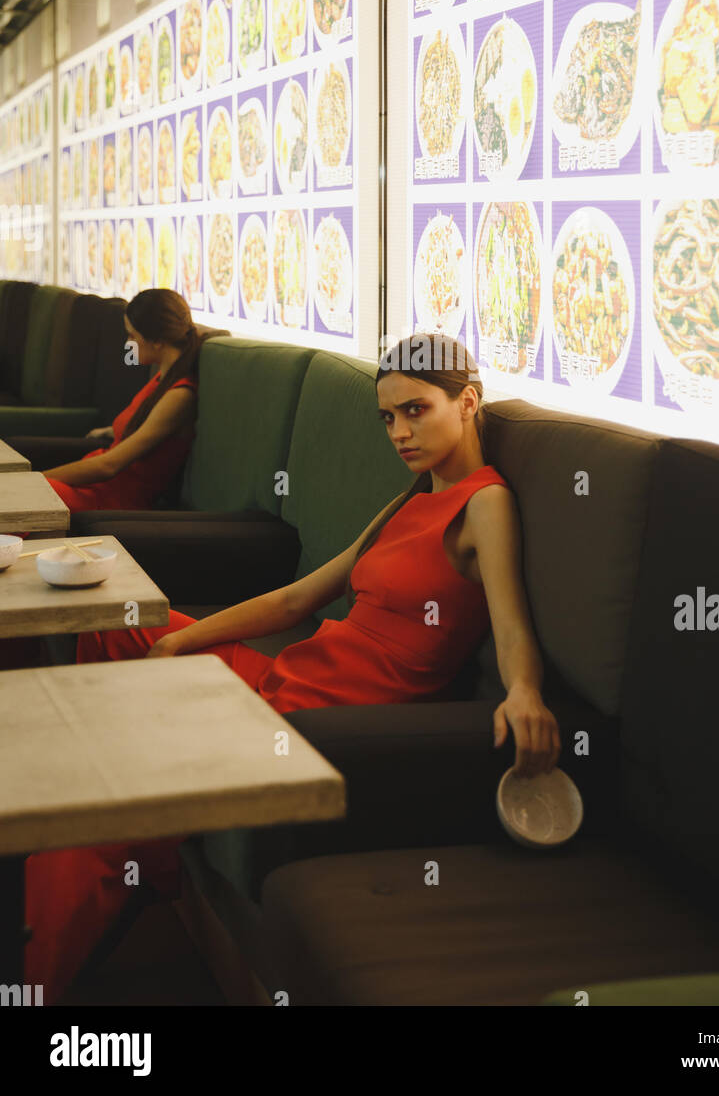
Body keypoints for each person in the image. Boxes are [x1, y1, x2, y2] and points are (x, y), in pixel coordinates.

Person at [24, 333, 561, 1004]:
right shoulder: (409, 498)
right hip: (292, 671)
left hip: (322, 715)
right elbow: (296, 600)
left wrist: (525, 691)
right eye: (387, 417)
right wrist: (178, 641)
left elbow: (512, 628)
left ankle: (33, 973)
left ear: (469, 402)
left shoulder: (485, 504)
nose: (399, 432)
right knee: (123, 623)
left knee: (107, 807)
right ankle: (109, 779)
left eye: (416, 411)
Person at [11, 289, 201, 512]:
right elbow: (146, 427)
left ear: (157, 340)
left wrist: (34, 481)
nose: (128, 343)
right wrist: (111, 430)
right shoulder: (162, 379)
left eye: (132, 336)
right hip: (98, 485)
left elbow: (109, 466)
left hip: (113, 497)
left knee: (16, 495)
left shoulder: (179, 396)